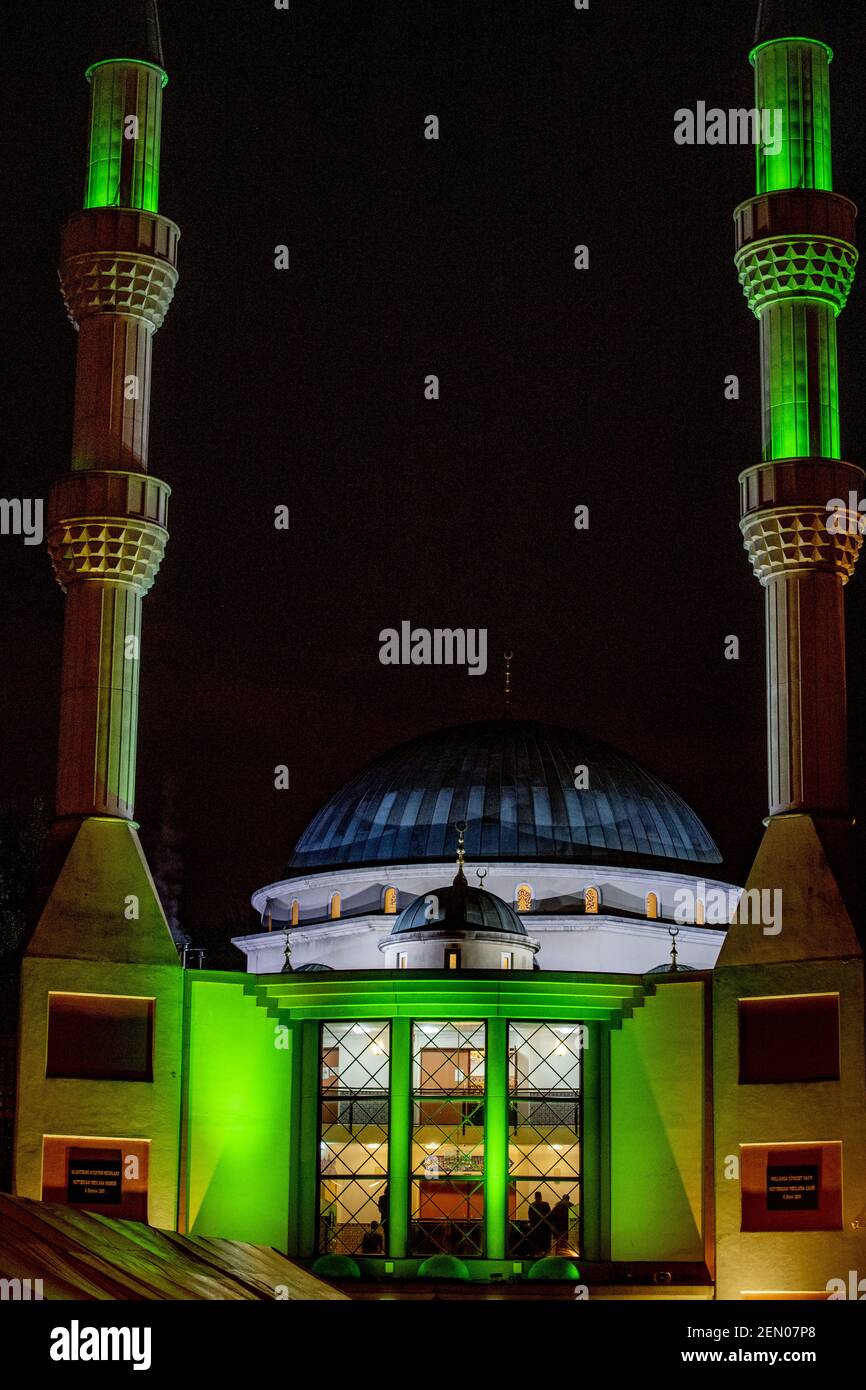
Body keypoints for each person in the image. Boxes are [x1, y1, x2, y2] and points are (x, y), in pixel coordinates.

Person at [527, 1190, 551, 1255]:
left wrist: (532, 1225)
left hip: (535, 1227)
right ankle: (544, 1252)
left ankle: (537, 1252)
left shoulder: (532, 1205)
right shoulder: (546, 1204)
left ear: (535, 1197)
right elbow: (549, 1216)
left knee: (536, 1241)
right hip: (544, 1227)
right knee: (544, 1242)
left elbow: (530, 1217)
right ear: (541, 1196)